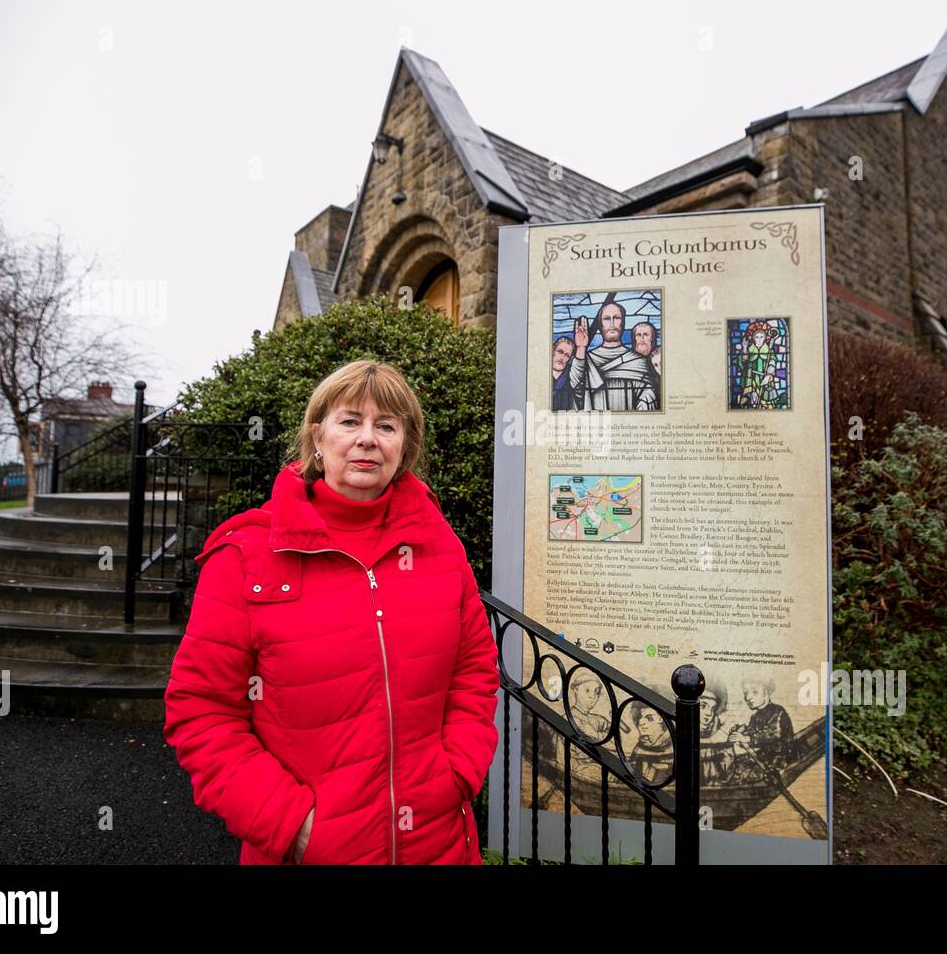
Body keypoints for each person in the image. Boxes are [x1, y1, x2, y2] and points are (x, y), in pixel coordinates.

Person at [163, 359, 499, 865]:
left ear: (404, 446)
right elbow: (202, 711)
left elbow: (474, 672)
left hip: (439, 844)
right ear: (317, 438)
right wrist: (291, 823)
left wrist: (456, 773)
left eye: (386, 426)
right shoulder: (246, 555)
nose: (367, 439)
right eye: (349, 421)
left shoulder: (437, 545)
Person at [567, 300, 659, 411]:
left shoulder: (637, 361)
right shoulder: (588, 359)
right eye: (606, 319)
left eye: (616, 318)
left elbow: (648, 393)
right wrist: (581, 348)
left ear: (623, 323)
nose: (612, 324)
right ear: (600, 325)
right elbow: (576, 388)